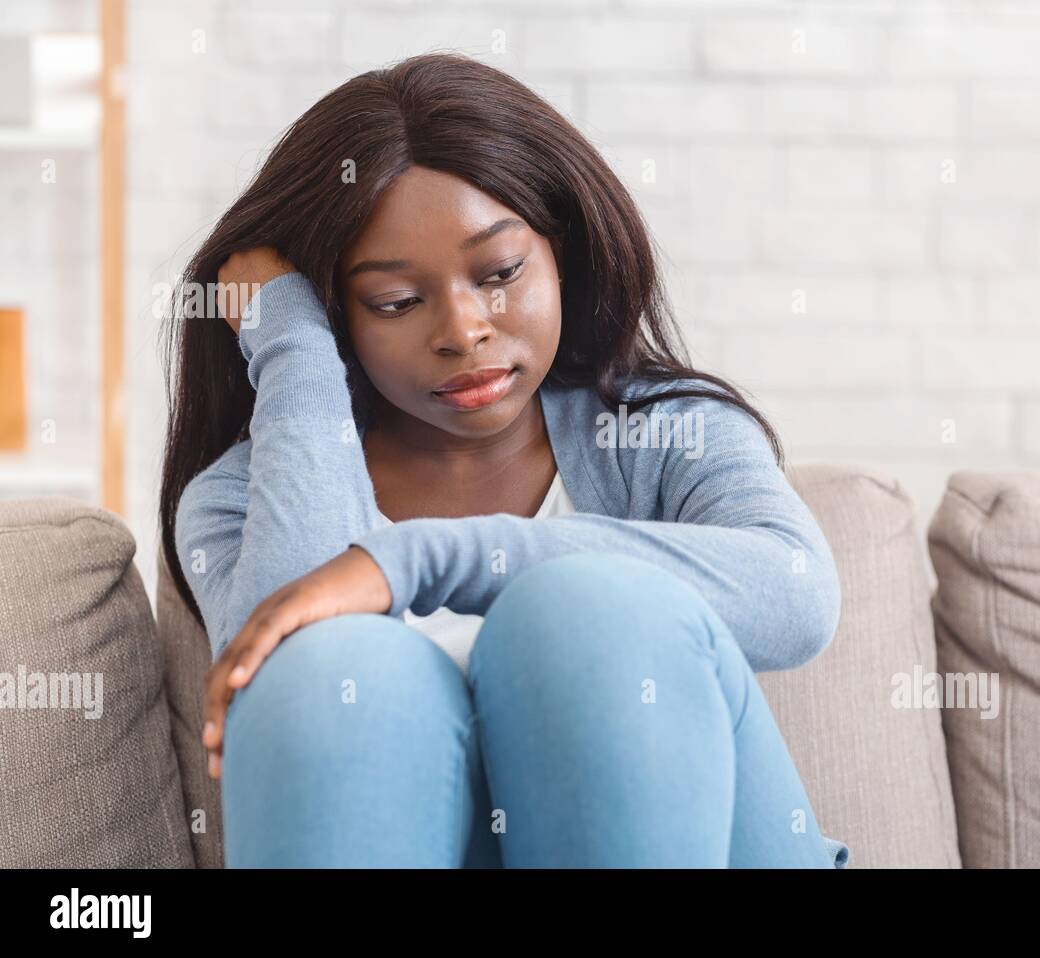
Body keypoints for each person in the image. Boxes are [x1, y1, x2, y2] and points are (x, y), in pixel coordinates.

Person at [159, 52, 849, 869]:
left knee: (582, 615)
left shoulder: (663, 432)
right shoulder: (239, 498)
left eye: (499, 273)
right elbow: (269, 685)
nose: (462, 330)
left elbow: (798, 595)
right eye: (395, 302)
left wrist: (407, 561)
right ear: (339, 312)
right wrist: (293, 349)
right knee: (328, 668)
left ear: (562, 251)